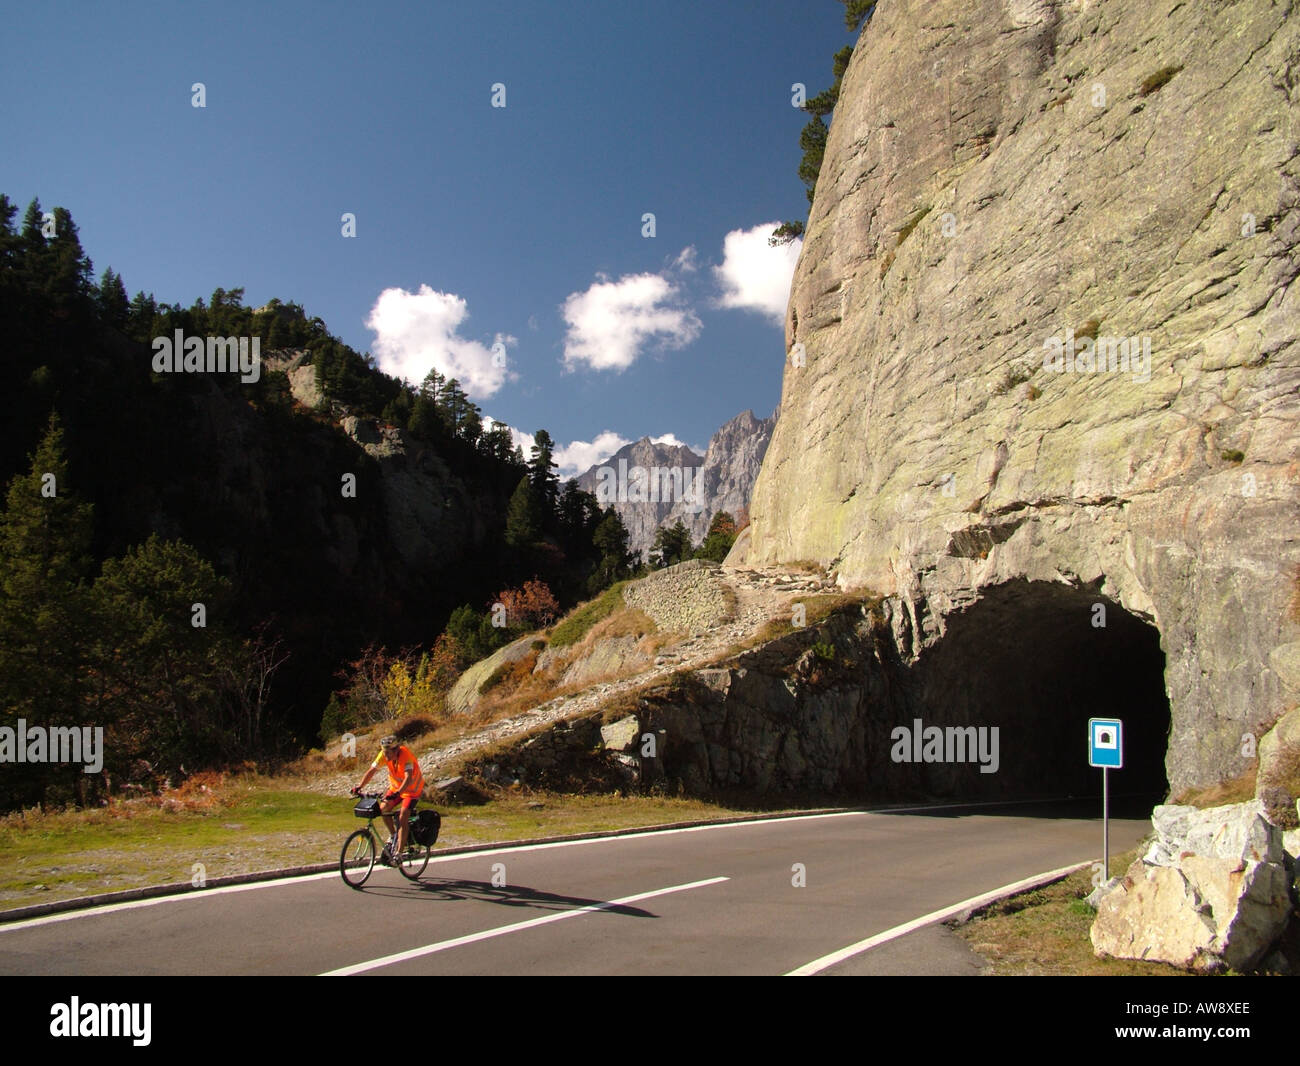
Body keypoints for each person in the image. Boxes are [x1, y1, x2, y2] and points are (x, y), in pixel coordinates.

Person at [352, 734, 425, 865]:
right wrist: (359, 786)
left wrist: (398, 793)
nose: (385, 756)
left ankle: (399, 854)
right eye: (383, 752)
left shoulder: (406, 756)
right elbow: (372, 771)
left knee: (403, 817)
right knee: (383, 809)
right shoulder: (384, 754)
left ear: (396, 750)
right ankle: (394, 836)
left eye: (388, 753)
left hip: (412, 790)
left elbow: (408, 778)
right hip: (396, 788)